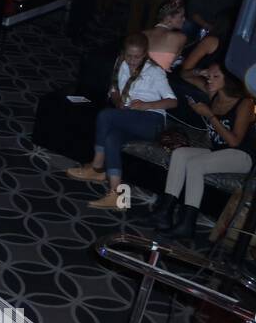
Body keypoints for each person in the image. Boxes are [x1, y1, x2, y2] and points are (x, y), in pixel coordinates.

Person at [144, 65, 256, 241]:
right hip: (220, 151)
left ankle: (187, 224)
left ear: (228, 81)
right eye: (210, 75)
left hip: (244, 155)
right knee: (180, 154)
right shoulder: (214, 93)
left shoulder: (245, 103)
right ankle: (164, 213)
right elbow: (185, 74)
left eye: (215, 76)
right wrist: (201, 71)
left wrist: (210, 116)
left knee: (195, 164)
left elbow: (235, 141)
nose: (209, 79)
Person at [65, 33, 177, 209]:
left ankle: (97, 166)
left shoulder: (155, 71)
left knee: (105, 116)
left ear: (145, 54)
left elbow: (172, 101)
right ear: (124, 53)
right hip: (129, 117)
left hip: (151, 121)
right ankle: (117, 197)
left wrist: (147, 105)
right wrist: (118, 102)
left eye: (137, 57)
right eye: (129, 56)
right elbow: (114, 90)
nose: (132, 61)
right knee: (112, 138)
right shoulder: (122, 64)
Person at [143, 0, 188, 70]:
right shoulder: (180, 37)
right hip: (158, 79)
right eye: (181, 16)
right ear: (168, 18)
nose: (184, 19)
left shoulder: (142, 34)